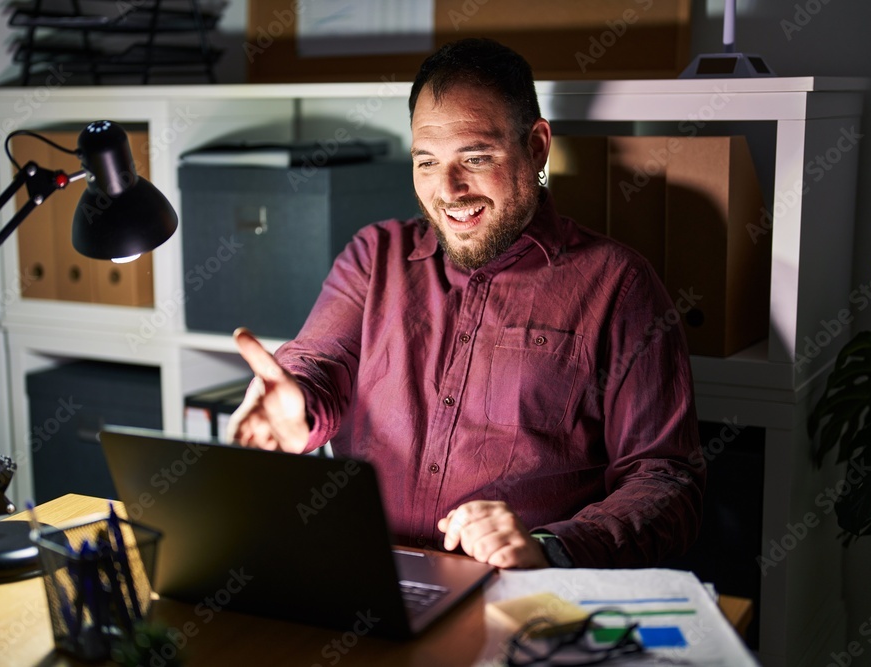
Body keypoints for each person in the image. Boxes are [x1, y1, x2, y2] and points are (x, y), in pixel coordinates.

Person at [227, 38, 705, 570]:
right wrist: (296, 404)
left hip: (522, 597)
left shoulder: (619, 284)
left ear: (537, 147)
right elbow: (320, 363)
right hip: (370, 579)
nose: (448, 190)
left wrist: (554, 548)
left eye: (476, 158)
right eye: (426, 161)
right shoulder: (373, 255)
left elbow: (666, 480)